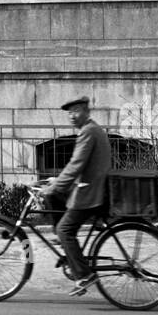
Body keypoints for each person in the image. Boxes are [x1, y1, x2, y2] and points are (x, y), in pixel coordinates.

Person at [39, 96, 113, 296]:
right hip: (90, 187)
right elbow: (78, 166)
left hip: (90, 193)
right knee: (53, 199)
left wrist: (56, 186)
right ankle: (64, 241)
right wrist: (57, 183)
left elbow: (76, 164)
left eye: (76, 111)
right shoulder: (92, 129)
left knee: (64, 229)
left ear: (87, 112)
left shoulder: (88, 132)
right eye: (69, 113)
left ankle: (84, 275)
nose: (72, 116)